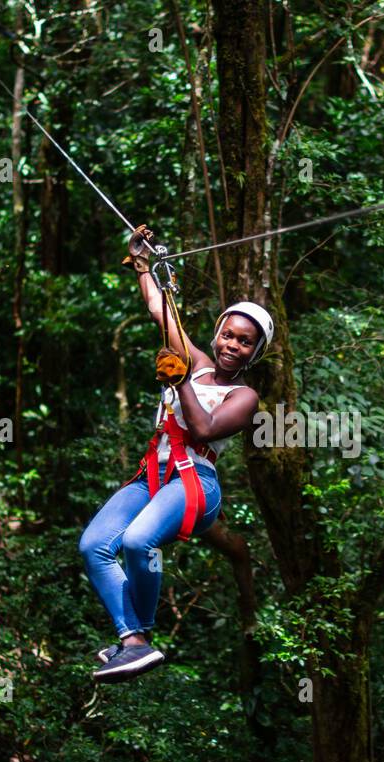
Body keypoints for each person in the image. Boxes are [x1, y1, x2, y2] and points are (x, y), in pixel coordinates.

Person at [78, 224, 273, 683]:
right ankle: (132, 643)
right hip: (153, 475)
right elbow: (157, 308)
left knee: (136, 541)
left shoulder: (244, 397)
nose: (232, 345)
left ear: (254, 353)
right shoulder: (198, 364)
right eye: (229, 335)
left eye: (244, 342)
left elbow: (203, 427)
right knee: (93, 545)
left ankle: (141, 637)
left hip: (195, 484)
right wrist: (142, 265)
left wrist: (179, 379)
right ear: (219, 333)